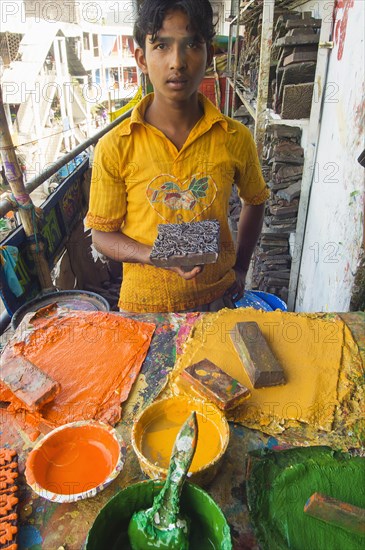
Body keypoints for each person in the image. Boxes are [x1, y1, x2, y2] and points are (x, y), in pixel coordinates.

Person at [85, 0, 269, 313]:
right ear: (141, 58)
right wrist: (153, 255)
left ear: (208, 54)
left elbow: (256, 199)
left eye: (192, 45)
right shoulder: (116, 145)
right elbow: (102, 234)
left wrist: (240, 267)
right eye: (161, 46)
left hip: (217, 301)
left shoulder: (234, 137)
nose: (177, 62)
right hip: (144, 308)